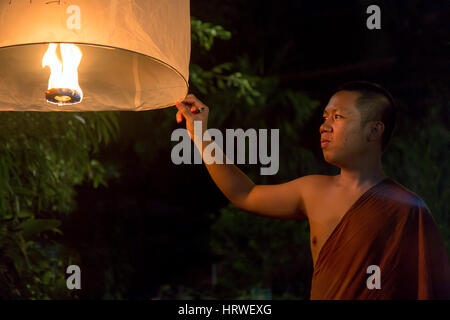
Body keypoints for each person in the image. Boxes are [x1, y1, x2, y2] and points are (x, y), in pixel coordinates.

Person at [174, 81, 450, 300]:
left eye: (338, 116)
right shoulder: (313, 190)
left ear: (374, 131)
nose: (324, 126)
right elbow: (243, 194)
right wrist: (199, 132)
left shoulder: (407, 209)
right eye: (325, 116)